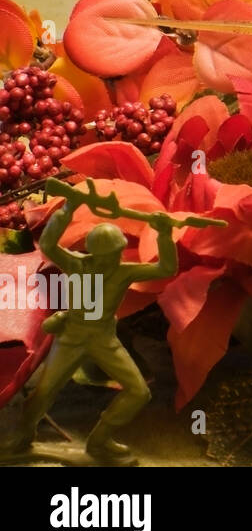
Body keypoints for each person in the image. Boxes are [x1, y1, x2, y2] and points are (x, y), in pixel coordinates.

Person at [0, 187, 179, 462]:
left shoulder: (124, 271)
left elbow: (166, 269)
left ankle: (100, 440)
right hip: (70, 337)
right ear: (94, 251)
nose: (113, 260)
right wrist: (67, 211)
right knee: (45, 391)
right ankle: (22, 437)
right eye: (108, 254)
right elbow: (48, 246)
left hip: (104, 340)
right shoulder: (77, 264)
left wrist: (165, 234)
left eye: (116, 252)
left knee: (139, 392)